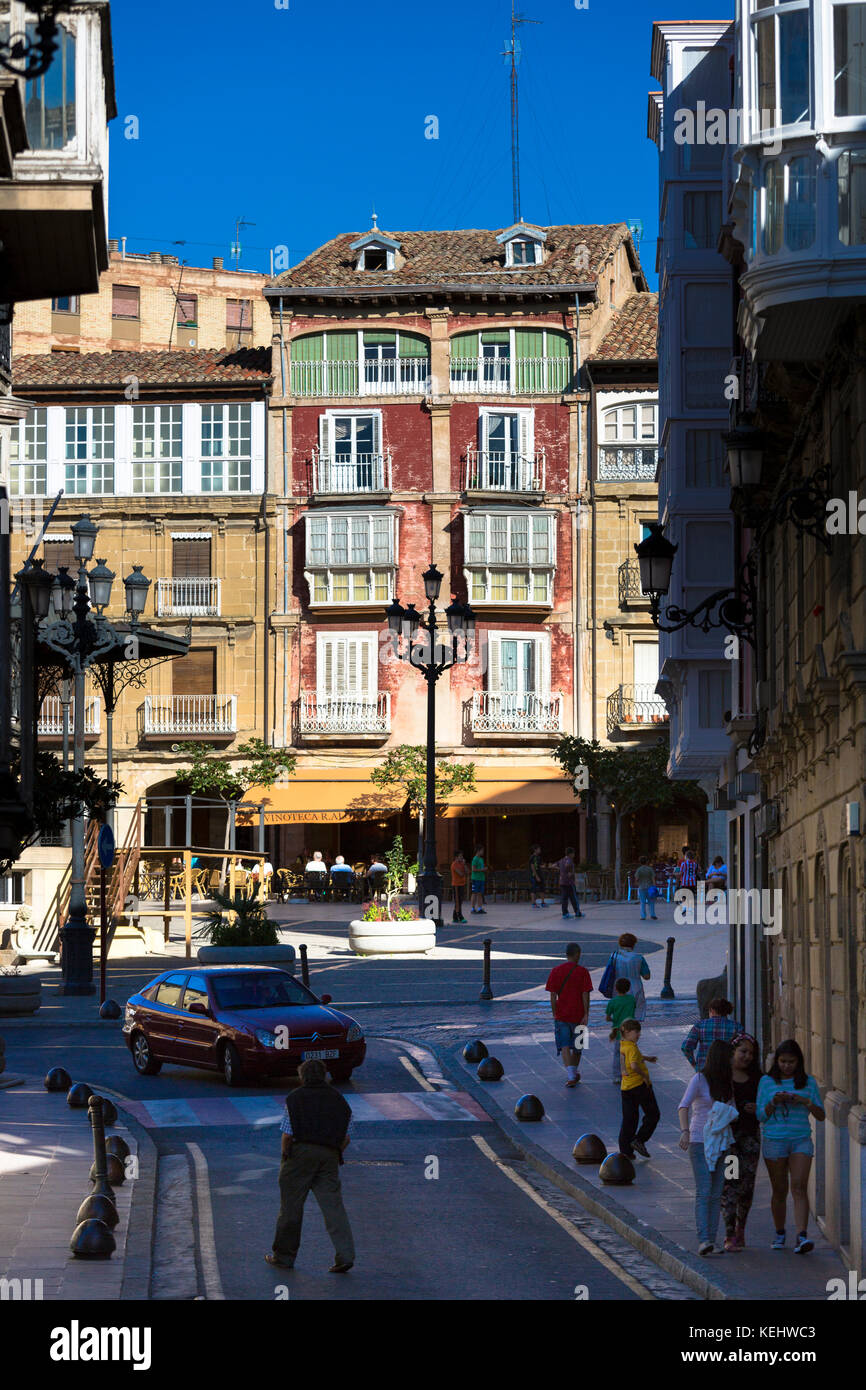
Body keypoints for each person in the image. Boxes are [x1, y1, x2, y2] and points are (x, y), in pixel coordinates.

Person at [267, 1058, 355, 1274]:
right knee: (333, 1206)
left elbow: (288, 1135)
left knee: (291, 1207)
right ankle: (345, 1255)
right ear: (324, 1075)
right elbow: (347, 1136)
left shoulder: (295, 1098)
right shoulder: (338, 1099)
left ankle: (284, 1257)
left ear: (302, 1076)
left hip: (300, 1155)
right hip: (329, 1156)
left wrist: (285, 1156)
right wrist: (334, 1152)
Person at [757, 1039, 825, 1254]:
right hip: (774, 1140)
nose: (787, 1066)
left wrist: (802, 1101)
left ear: (799, 1062)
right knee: (779, 1189)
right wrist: (774, 1102)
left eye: (791, 1062)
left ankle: (802, 1236)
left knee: (798, 1186)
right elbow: (760, 1115)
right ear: (777, 1061)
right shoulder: (766, 1082)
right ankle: (779, 1232)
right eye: (783, 1061)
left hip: (800, 1139)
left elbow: (821, 1115)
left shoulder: (809, 1083)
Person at [677, 1039, 736, 1256]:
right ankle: (704, 1239)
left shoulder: (727, 1082)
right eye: (729, 1058)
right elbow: (683, 1106)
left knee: (716, 1191)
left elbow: (731, 1109)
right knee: (704, 1190)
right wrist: (685, 1132)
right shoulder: (700, 1079)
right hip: (700, 1139)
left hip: (722, 1141)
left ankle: (712, 1239)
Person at [721, 1032, 762, 1252]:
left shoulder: (758, 1079)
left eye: (751, 1053)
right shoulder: (722, 1077)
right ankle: (729, 1234)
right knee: (730, 1186)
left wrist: (759, 1108)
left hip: (751, 1140)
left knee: (747, 1186)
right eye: (743, 1052)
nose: (747, 1057)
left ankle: (741, 1230)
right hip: (729, 1141)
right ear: (733, 1051)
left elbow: (766, 1107)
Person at [545, 942, 592, 1088]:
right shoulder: (583, 972)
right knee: (578, 1046)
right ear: (577, 954)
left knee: (564, 1044)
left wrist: (554, 1013)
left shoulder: (556, 971)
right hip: (578, 1015)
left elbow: (553, 995)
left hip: (561, 1014)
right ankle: (573, 1073)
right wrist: (586, 1013)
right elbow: (585, 994)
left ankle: (571, 1074)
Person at [618, 1019, 659, 1160]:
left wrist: (647, 1058)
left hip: (626, 1087)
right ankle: (639, 1139)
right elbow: (634, 1065)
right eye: (636, 1032)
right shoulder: (632, 1047)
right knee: (653, 1114)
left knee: (629, 1118)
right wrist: (645, 1077)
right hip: (639, 1086)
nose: (639, 1034)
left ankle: (625, 1150)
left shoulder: (623, 1044)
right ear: (628, 1032)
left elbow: (632, 1058)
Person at [682, 998, 744, 1071]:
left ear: (711, 1010)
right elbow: (742, 1048)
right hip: (728, 1070)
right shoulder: (736, 1027)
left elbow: (686, 1047)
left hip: (705, 1069)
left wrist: (695, 1065)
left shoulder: (700, 1025)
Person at [608, 932, 651, 1020]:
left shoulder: (613, 956)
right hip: (636, 988)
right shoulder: (639, 958)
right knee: (636, 1015)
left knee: (619, 1015)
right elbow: (647, 976)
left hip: (618, 988)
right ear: (633, 944)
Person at [605, 978, 636, 1085]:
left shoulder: (613, 1002)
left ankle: (617, 1076)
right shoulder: (632, 999)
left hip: (619, 1030)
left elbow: (607, 1017)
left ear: (616, 989)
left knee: (618, 1054)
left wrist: (614, 1020)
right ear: (628, 989)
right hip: (631, 1030)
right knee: (630, 1053)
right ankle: (629, 1072)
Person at [558, 846, 584, 919]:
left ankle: (565, 913)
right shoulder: (569, 860)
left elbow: (554, 865)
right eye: (573, 853)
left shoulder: (561, 860)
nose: (574, 855)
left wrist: (561, 872)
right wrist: (570, 873)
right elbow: (568, 866)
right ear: (570, 854)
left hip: (562, 882)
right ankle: (577, 912)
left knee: (564, 898)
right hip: (569, 882)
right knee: (573, 898)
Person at [634, 855, 657, 921]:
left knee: (642, 902)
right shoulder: (650, 869)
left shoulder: (639, 869)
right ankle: (652, 915)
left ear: (640, 862)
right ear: (647, 861)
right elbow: (653, 878)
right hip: (649, 887)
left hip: (642, 887)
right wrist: (654, 886)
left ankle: (643, 916)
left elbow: (637, 878)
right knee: (651, 902)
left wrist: (637, 883)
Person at [450, 850, 468, 923]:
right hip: (456, 885)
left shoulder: (462, 864)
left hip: (462, 884)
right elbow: (460, 874)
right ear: (456, 857)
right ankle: (460, 916)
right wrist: (464, 872)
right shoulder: (454, 865)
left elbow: (467, 872)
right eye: (460, 856)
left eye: (462, 856)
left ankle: (455, 917)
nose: (462, 858)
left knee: (460, 901)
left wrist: (464, 865)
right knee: (458, 902)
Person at [470, 846, 486, 914]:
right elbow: (473, 869)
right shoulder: (475, 859)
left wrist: (484, 870)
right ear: (478, 851)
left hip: (481, 878)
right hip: (475, 879)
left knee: (480, 894)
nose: (483, 852)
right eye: (482, 851)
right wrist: (482, 870)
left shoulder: (481, 859)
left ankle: (480, 908)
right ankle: (473, 908)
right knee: (474, 893)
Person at [529, 843, 546, 909]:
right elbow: (532, 867)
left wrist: (544, 866)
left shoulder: (538, 857)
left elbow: (539, 865)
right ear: (535, 850)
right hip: (534, 875)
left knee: (542, 888)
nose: (540, 850)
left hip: (540, 874)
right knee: (533, 889)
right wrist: (536, 876)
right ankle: (533, 903)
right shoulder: (532, 857)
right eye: (539, 849)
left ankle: (543, 902)